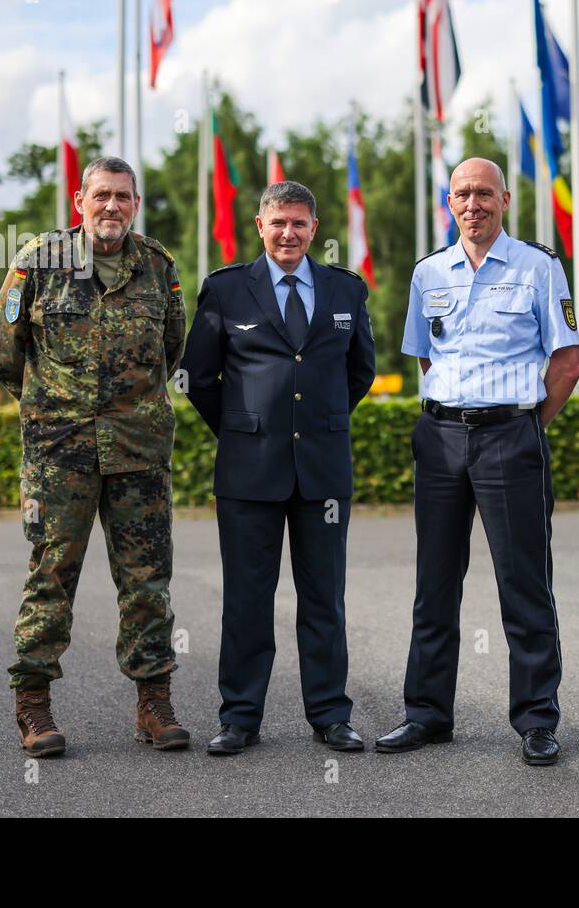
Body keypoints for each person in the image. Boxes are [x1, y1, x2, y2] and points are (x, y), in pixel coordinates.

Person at [376, 158, 579, 766]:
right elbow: (425, 359)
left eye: (484, 194)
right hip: (439, 439)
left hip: (509, 439)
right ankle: (427, 713)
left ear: (505, 200)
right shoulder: (426, 273)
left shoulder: (538, 267)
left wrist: (521, 427)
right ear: (449, 201)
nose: (474, 204)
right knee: (434, 583)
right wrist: (457, 414)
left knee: (524, 583)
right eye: (463, 194)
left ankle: (537, 720)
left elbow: (566, 364)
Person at [0, 155, 189, 757]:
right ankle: (33, 706)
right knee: (50, 578)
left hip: (139, 452)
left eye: (124, 197)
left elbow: (172, 349)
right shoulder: (38, 261)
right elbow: (6, 351)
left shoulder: (157, 267)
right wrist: (53, 410)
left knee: (147, 582)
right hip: (60, 457)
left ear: (135, 203)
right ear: (80, 201)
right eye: (101, 195)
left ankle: (153, 703)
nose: (112, 207)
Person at [182, 180, 376, 756]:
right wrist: (244, 429)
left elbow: (359, 373)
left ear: (314, 229)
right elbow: (198, 377)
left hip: (323, 473)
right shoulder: (226, 290)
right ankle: (240, 717)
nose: (288, 233)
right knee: (246, 599)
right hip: (248, 473)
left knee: (325, 599)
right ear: (260, 227)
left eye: (299, 223)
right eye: (278, 223)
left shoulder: (347, 290)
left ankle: (330, 715)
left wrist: (319, 422)